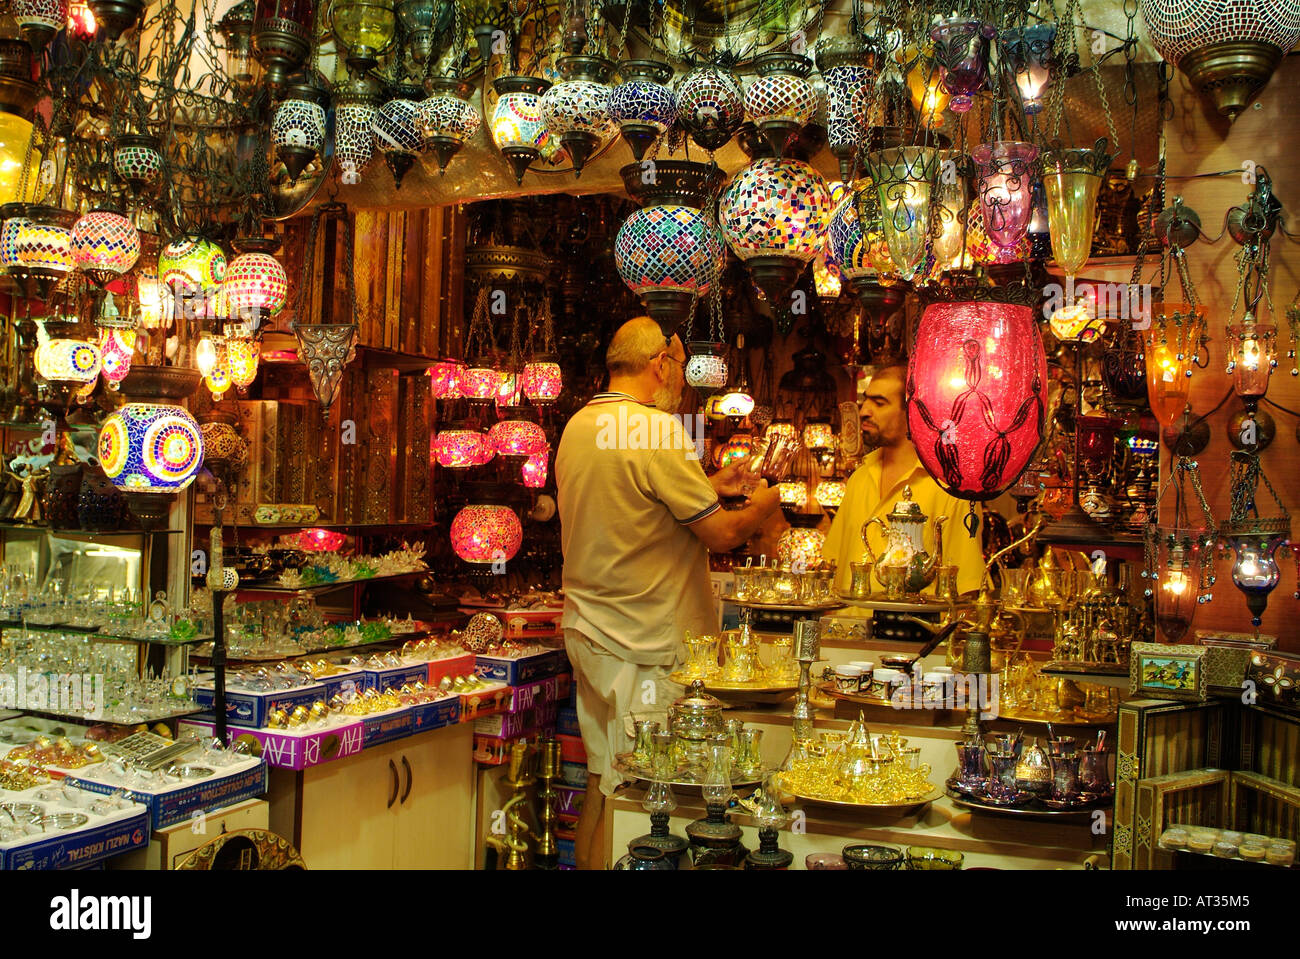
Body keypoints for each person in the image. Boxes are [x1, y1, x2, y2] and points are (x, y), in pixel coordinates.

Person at [556, 316, 781, 870]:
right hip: (645, 644)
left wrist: (710, 486)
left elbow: (632, 504)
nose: (681, 380)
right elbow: (722, 533)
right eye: (679, 367)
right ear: (660, 363)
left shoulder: (580, 426)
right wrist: (769, 502)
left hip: (591, 630)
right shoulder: (656, 430)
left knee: (604, 782)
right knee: (644, 801)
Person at [824, 365, 986, 599]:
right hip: (846, 631)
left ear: (912, 412)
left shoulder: (949, 486)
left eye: (879, 403)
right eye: (866, 400)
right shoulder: (859, 478)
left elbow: (967, 588)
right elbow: (833, 565)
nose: (864, 412)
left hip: (915, 632)